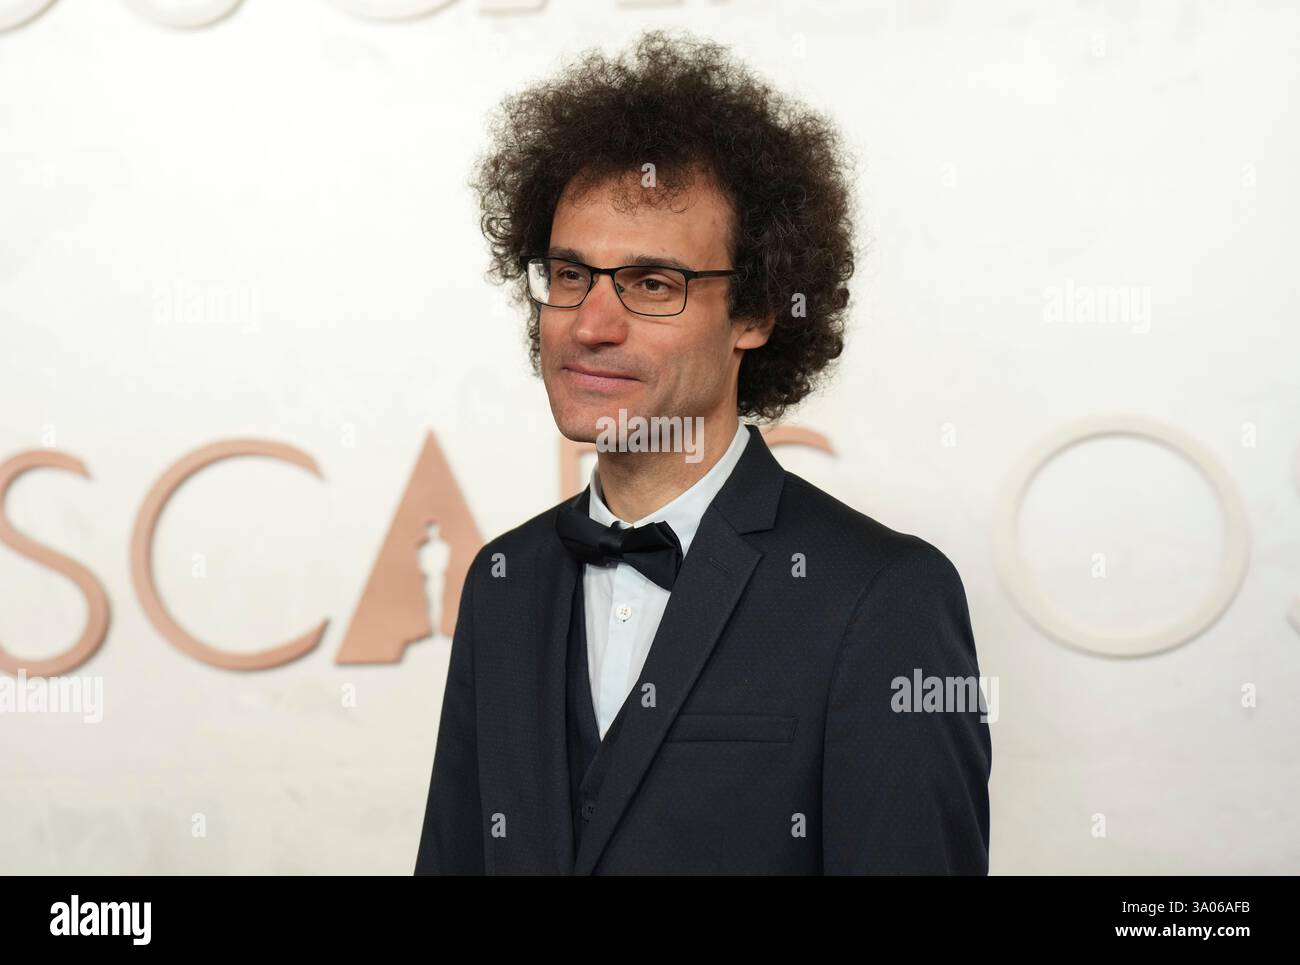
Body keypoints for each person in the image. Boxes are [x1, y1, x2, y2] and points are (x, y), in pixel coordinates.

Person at [415, 28, 991, 874]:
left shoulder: (885, 599)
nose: (591, 323)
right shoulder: (504, 580)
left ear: (755, 314)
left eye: (653, 284)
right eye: (570, 274)